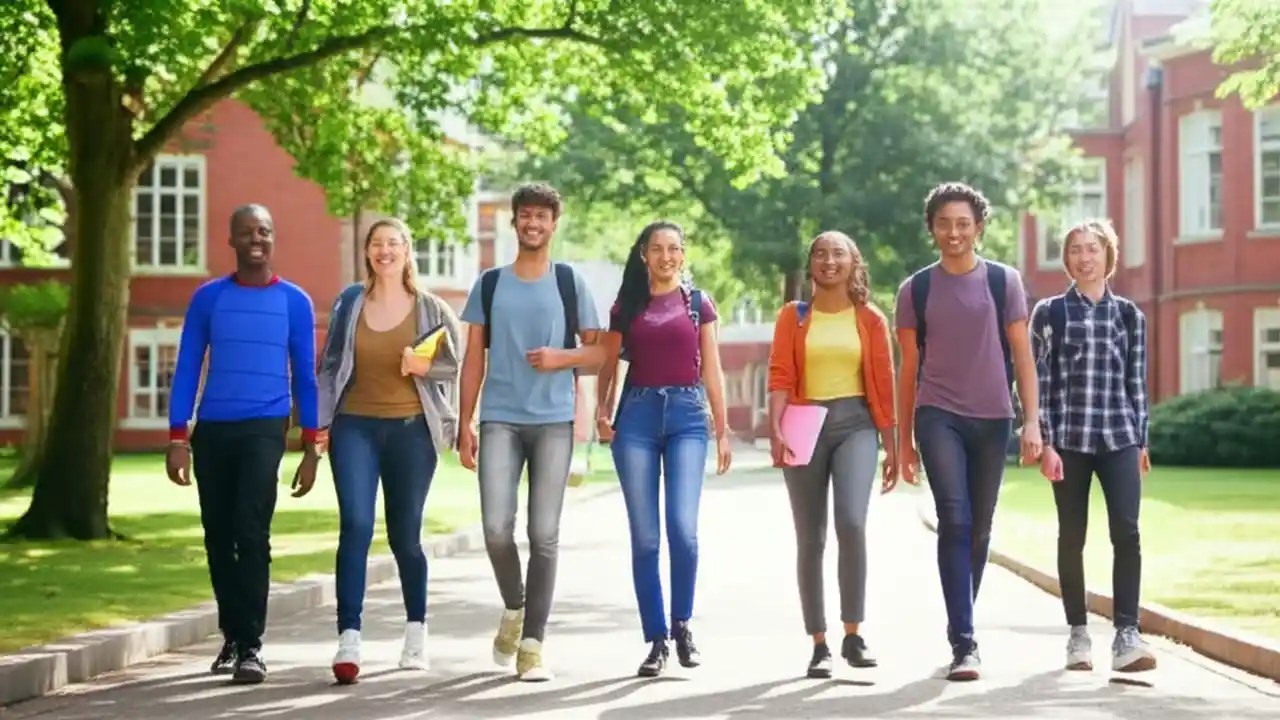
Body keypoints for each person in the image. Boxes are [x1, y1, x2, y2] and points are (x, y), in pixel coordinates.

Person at [165, 204, 321, 685]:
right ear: (231, 240)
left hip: (264, 428)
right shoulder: (208, 298)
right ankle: (231, 634)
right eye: (247, 232)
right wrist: (178, 436)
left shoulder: (295, 301)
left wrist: (312, 446)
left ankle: (251, 645)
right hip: (213, 429)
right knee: (218, 535)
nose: (257, 239)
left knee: (250, 530)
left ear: (274, 239)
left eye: (265, 231)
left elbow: (307, 377)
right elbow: (188, 365)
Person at [894, 182, 1042, 682]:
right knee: (954, 518)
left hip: (993, 416)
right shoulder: (915, 290)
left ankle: (963, 619)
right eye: (943, 223)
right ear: (932, 229)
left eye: (963, 223)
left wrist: (1032, 421)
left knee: (980, 527)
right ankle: (965, 641)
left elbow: (1023, 355)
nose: (953, 232)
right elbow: (907, 367)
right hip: (938, 414)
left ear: (979, 227)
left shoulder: (1004, 282)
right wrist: (901, 441)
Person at [458, 182, 604, 682]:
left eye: (543, 216)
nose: (533, 223)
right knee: (497, 529)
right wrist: (464, 423)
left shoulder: (569, 282)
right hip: (499, 416)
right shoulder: (491, 284)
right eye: (526, 215)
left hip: (553, 422)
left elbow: (600, 352)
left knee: (544, 534)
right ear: (514, 221)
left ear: (554, 224)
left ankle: (533, 644)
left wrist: (562, 357)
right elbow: (472, 359)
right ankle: (515, 607)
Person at [316, 217, 463, 684]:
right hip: (354, 426)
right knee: (356, 526)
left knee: (405, 537)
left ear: (407, 251)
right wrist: (318, 427)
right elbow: (330, 365)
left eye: (393, 243)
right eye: (377, 244)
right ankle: (349, 639)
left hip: (411, 431)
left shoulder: (431, 308)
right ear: (367, 252)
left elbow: (452, 366)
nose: (385, 251)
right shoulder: (349, 303)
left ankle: (416, 634)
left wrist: (423, 365)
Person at [594, 220, 732, 678]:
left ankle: (682, 623)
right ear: (644, 255)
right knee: (646, 538)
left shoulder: (698, 304)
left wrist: (724, 427)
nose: (666, 256)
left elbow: (712, 368)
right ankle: (656, 639)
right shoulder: (627, 305)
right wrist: (601, 411)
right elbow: (608, 364)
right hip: (636, 418)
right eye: (658, 248)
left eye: (674, 249)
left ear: (683, 255)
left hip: (689, 417)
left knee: (683, 530)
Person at [766, 231, 898, 679]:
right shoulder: (793, 317)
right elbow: (780, 375)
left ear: (853, 263)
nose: (828, 261)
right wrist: (776, 430)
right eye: (820, 254)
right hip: (804, 425)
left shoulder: (871, 319)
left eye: (837, 254)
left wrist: (894, 447)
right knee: (811, 537)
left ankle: (853, 633)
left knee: (852, 522)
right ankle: (819, 642)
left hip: (856, 424)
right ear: (811, 266)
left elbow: (884, 383)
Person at [1030, 218, 1156, 674]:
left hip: (1120, 437)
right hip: (1070, 442)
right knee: (1073, 535)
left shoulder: (1129, 316)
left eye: (1092, 249)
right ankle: (1078, 634)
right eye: (1076, 250)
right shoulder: (1049, 312)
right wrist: (1045, 442)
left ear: (1108, 256)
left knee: (1128, 532)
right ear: (1067, 259)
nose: (1084, 257)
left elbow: (1136, 382)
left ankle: (1127, 634)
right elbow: (1040, 380)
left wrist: (1142, 438)